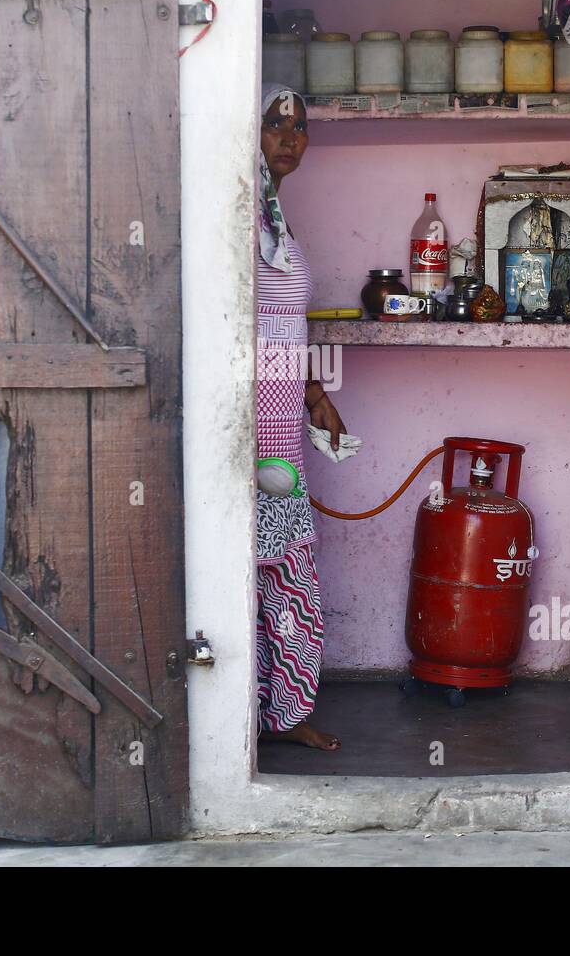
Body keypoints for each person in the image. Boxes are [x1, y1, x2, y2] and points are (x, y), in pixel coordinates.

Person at [255, 82, 346, 751]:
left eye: (300, 126)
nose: (291, 137)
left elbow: (284, 323)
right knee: (250, 568)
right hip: (248, 424)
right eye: (276, 123)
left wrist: (314, 394)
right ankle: (255, 715)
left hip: (284, 421)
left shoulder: (275, 219)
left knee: (285, 569)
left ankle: (285, 713)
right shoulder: (240, 214)